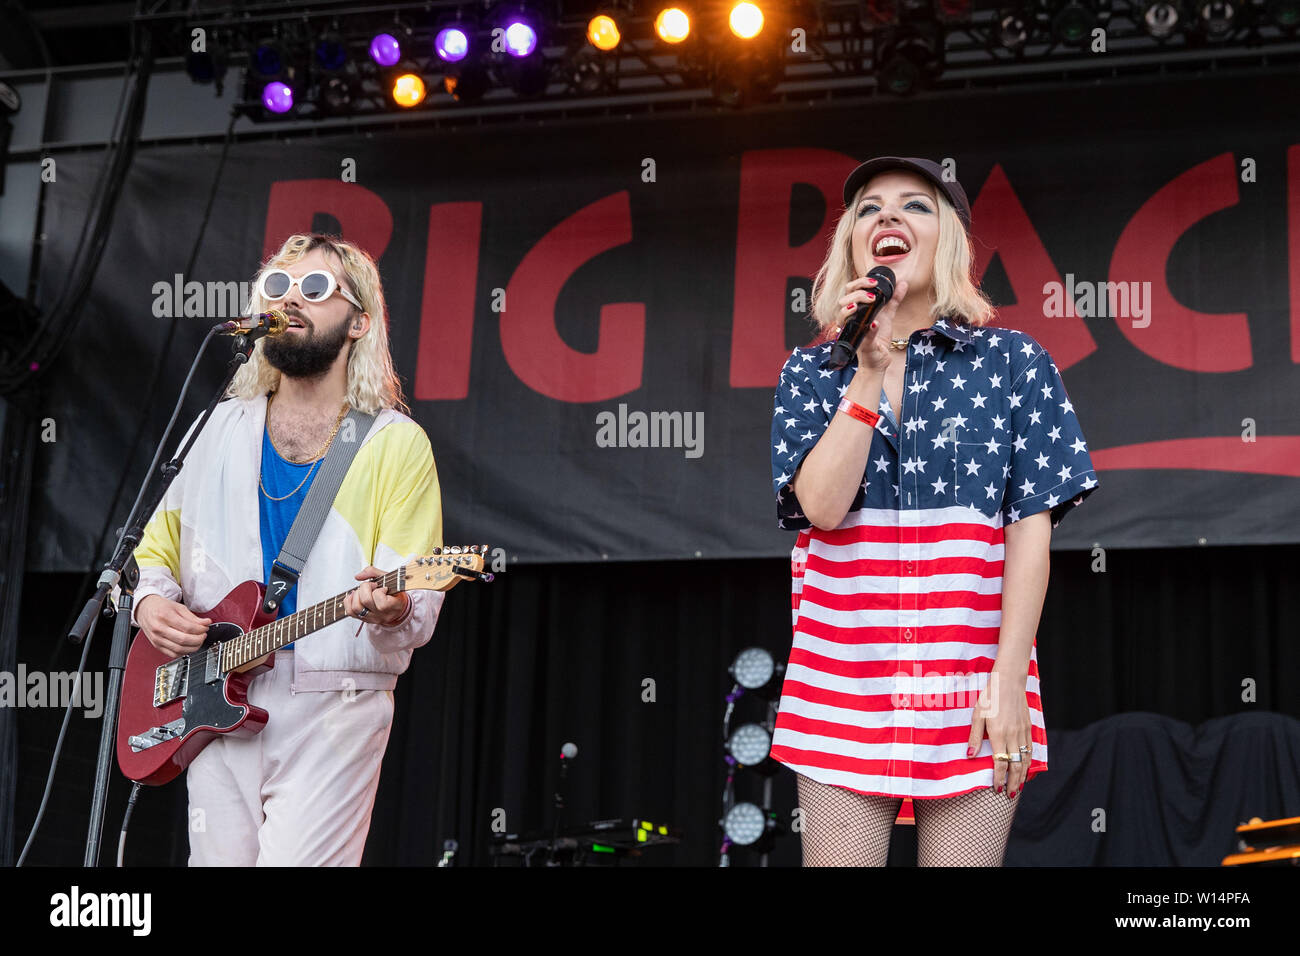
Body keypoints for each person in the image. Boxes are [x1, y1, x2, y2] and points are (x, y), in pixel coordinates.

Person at [768, 157, 1099, 866]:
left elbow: (1029, 531)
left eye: (914, 206)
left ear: (947, 238)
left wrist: (1009, 679)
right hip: (842, 682)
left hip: (973, 681)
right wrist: (867, 367)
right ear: (851, 247)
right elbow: (820, 509)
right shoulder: (809, 371)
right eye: (869, 209)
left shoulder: (1015, 362)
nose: (888, 217)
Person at [130, 233, 444, 865]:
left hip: (335, 706)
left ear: (360, 321)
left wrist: (394, 608)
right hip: (215, 694)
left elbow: (417, 596)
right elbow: (152, 547)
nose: (292, 299)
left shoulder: (395, 444)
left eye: (316, 287)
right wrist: (149, 604)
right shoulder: (216, 428)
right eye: (278, 286)